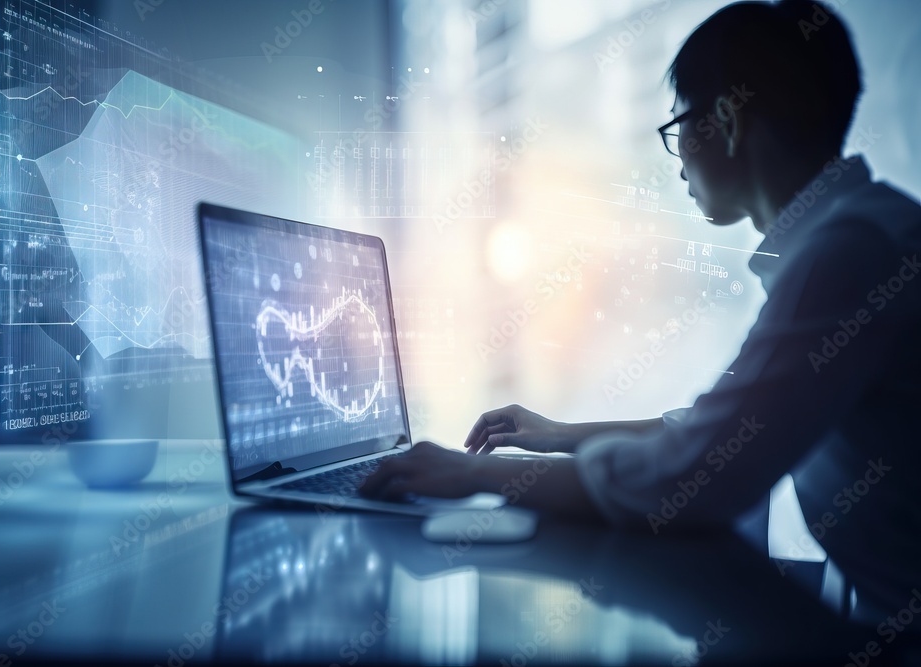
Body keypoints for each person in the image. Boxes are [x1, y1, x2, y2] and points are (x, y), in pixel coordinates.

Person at [361, 0, 921, 616]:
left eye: (679, 124)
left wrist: (473, 475)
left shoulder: (851, 254)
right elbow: (720, 429)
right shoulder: (859, 236)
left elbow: (696, 476)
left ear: (729, 121)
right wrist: (558, 435)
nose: (678, 160)